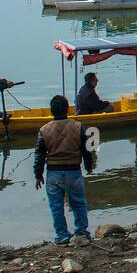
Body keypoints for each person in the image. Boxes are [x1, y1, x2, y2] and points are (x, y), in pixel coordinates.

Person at [34, 94, 97, 245]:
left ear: (51, 111)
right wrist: (89, 166)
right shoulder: (78, 126)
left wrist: (38, 175)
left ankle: (61, 236)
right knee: (79, 203)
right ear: (68, 109)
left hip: (54, 174)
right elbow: (86, 150)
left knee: (56, 207)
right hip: (73, 171)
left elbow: (40, 155)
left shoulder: (44, 130)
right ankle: (81, 232)